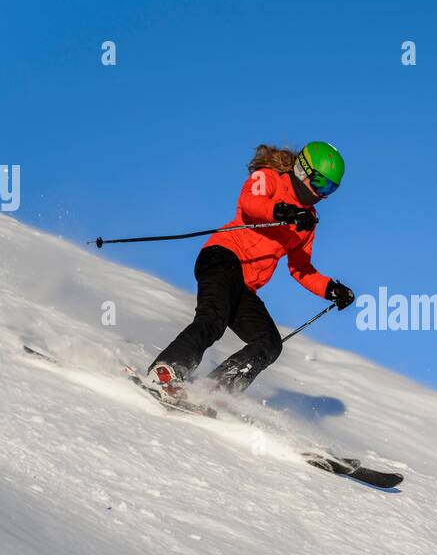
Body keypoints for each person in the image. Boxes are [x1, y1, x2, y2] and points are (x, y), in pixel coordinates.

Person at [147, 141, 355, 398]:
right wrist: (282, 211)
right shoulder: (269, 179)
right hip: (222, 258)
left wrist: (331, 289)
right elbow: (250, 203)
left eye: (331, 189)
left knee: (269, 343)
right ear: (303, 171)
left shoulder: (307, 220)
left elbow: (300, 268)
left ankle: (215, 390)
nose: (323, 194)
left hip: (245, 286)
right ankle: (166, 370)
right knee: (213, 320)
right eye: (321, 184)